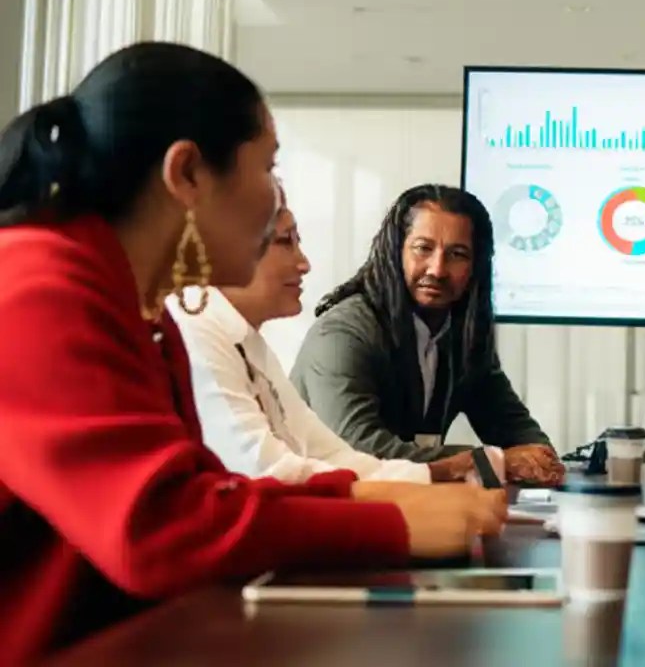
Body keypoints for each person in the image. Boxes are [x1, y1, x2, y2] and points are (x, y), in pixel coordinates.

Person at [0, 43, 506, 664]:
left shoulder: (141, 307)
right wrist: (395, 521)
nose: (277, 201)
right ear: (186, 174)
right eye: (268, 168)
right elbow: (159, 528)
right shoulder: (35, 286)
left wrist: (371, 499)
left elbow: (211, 491)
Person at [169, 186, 503, 484]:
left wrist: (443, 472)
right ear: (226, 242)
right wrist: (465, 470)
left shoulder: (249, 343)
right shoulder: (196, 333)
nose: (304, 263)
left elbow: (334, 457)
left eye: (458, 255)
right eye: (286, 242)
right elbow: (272, 475)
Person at [290, 184, 564, 486]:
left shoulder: (462, 336)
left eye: (457, 254)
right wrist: (494, 461)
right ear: (396, 252)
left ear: (476, 268)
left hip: (398, 507)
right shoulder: (344, 333)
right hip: (319, 511)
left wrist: (540, 458)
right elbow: (363, 452)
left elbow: (514, 428)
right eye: (423, 248)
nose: (438, 269)